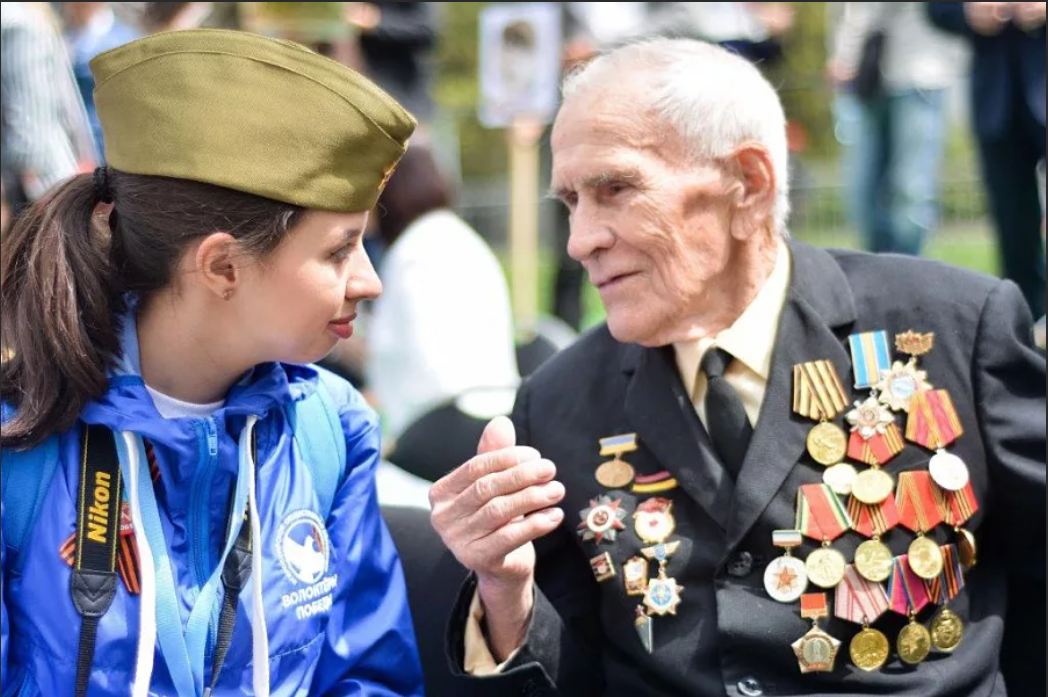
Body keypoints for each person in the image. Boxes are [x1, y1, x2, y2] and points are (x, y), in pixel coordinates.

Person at [428, 38, 1045, 696]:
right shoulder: (559, 403)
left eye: (615, 189)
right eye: (571, 202)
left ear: (748, 184)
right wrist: (504, 593)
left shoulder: (954, 328)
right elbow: (573, 676)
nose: (581, 240)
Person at [0, 29, 424, 697]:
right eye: (340, 251)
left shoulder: (330, 429)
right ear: (222, 265)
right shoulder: (18, 440)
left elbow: (369, 676)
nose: (368, 281)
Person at [366, 146, 520, 476]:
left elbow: (422, 361)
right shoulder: (458, 236)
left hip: (442, 421)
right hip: (493, 412)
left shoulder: (412, 253)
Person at [928, 2, 1046, 319]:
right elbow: (937, 8)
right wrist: (967, 13)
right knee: (1013, 226)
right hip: (996, 97)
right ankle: (1028, 331)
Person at [828, 2, 965, 256]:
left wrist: (846, 53)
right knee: (864, 191)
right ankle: (876, 274)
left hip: (921, 76)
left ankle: (907, 276)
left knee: (912, 192)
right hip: (872, 75)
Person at [1, 1, 95, 209]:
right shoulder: (20, 22)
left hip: (42, 183)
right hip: (41, 184)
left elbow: (29, 139)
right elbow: (29, 140)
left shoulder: (21, 21)